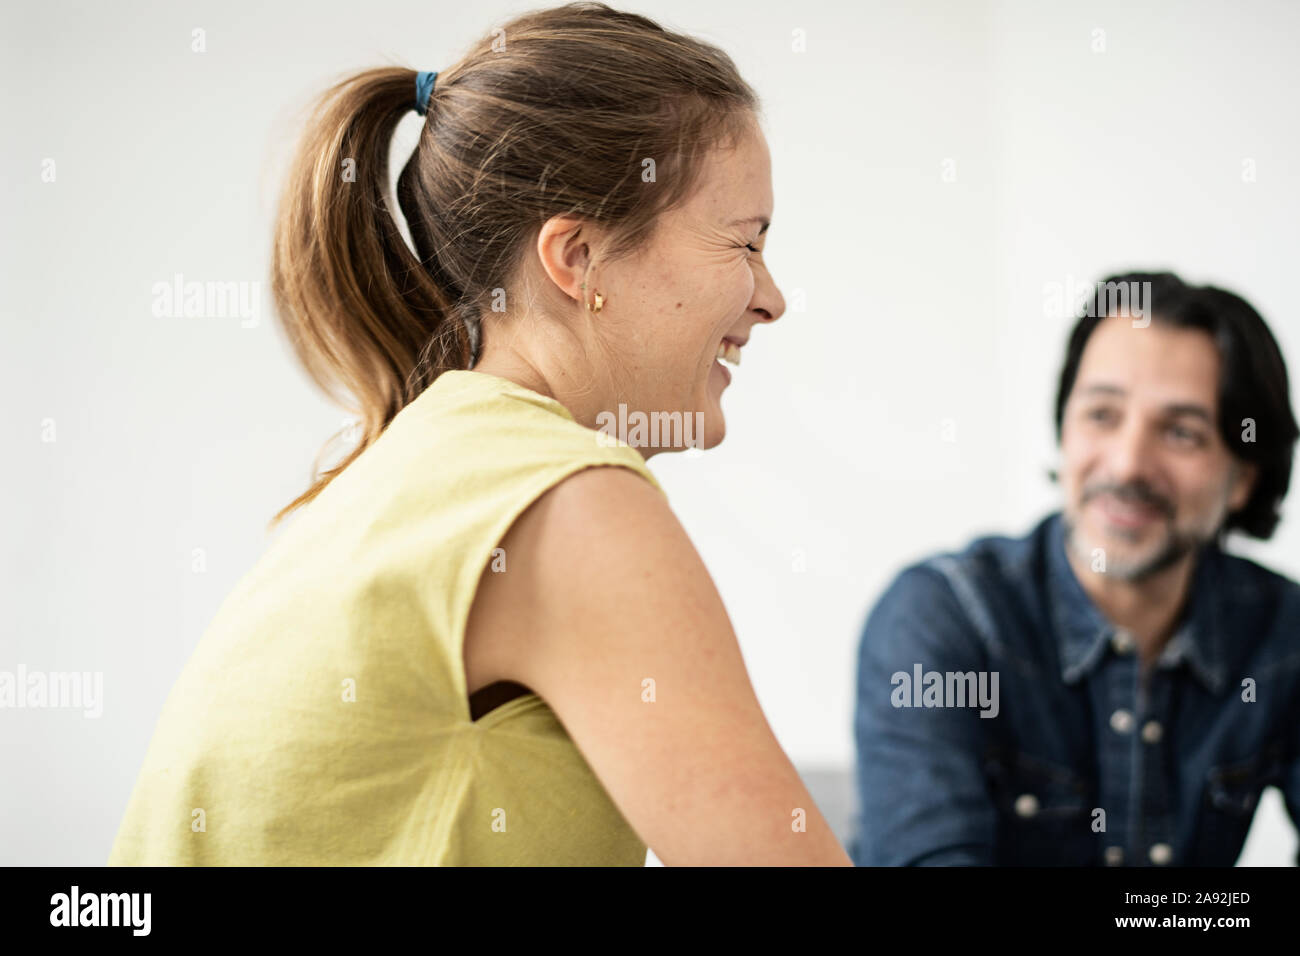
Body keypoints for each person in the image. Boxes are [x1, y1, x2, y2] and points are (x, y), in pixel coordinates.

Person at [109, 2, 850, 866]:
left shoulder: (394, 477)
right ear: (576, 258)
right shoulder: (566, 505)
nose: (772, 296)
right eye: (745, 243)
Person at [852, 271, 1300, 866]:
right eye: (1102, 414)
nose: (1128, 464)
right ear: (1064, 426)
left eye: (1181, 432)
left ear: (1243, 478)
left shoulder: (1283, 637)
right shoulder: (942, 619)